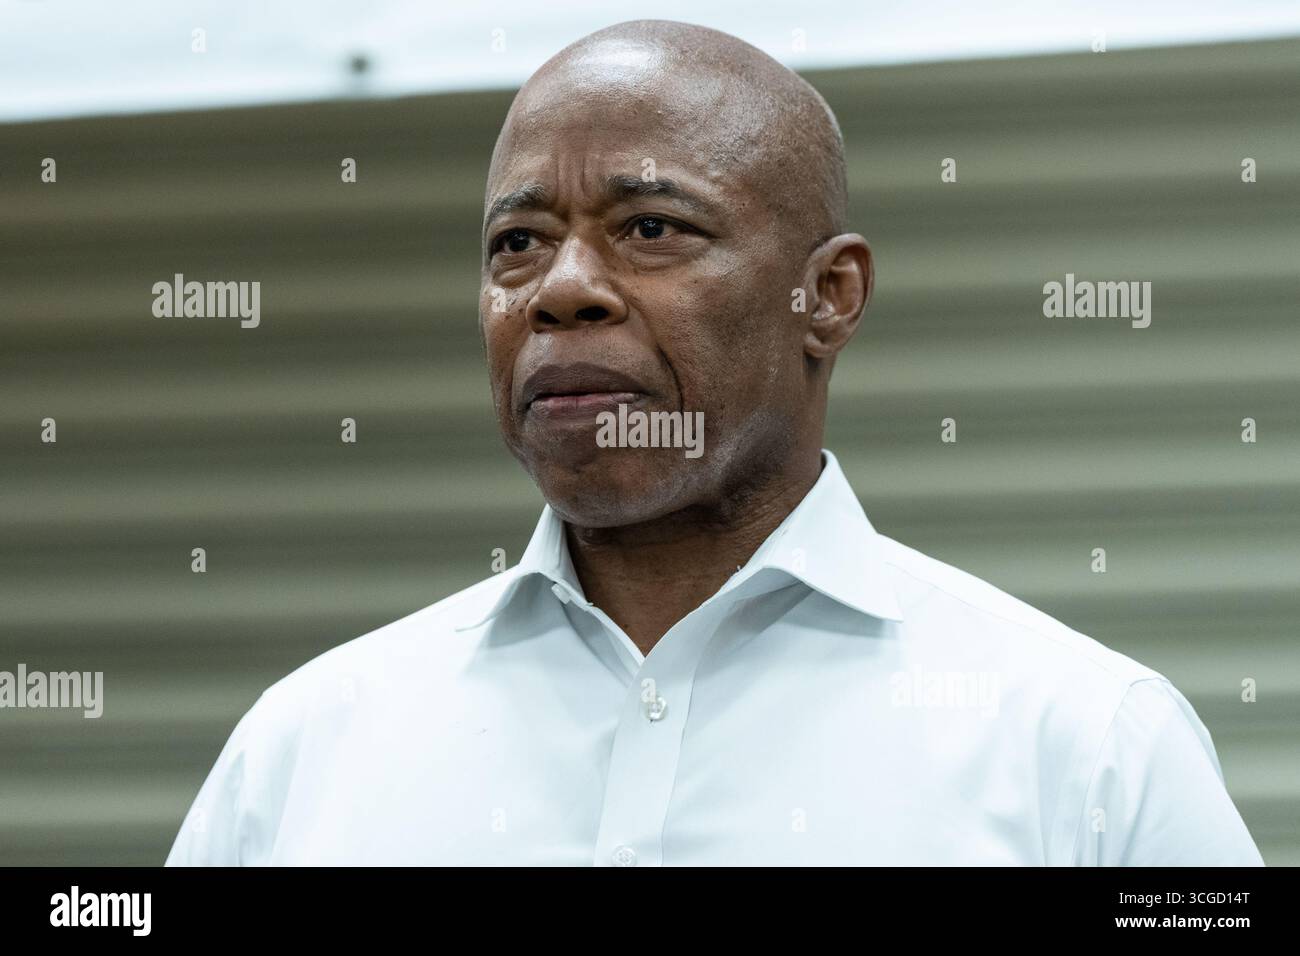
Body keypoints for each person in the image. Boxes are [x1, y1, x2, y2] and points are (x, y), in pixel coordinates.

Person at [166, 19, 1263, 866]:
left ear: (828, 296)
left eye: (651, 229)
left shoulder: (1089, 750)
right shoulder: (306, 750)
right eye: (517, 242)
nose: (563, 291)